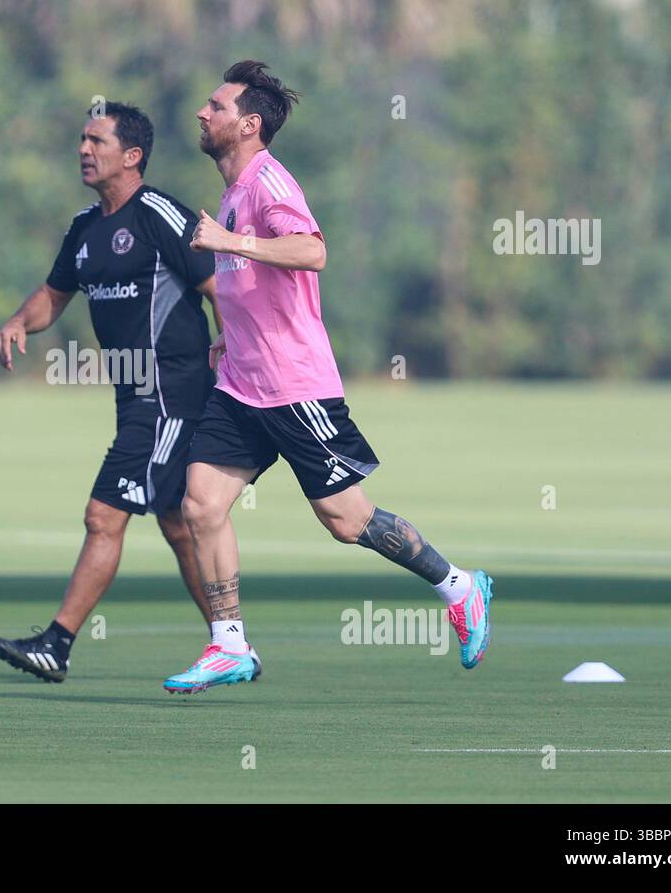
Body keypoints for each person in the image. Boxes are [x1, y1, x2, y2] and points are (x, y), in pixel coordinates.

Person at [162, 62, 491, 694]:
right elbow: (256, 285)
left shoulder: (267, 182)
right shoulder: (234, 190)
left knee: (346, 521)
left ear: (248, 125)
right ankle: (229, 644)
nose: (203, 113)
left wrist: (232, 241)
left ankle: (460, 587)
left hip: (294, 386)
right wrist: (229, 334)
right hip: (240, 386)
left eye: (216, 106)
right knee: (200, 504)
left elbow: (312, 250)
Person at [0, 102, 261, 683]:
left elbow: (220, 287)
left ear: (132, 156)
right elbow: (54, 295)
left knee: (103, 515)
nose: (84, 150)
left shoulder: (159, 213)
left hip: (172, 390)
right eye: (82, 139)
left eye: (97, 141)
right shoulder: (85, 229)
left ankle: (56, 644)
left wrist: (233, 352)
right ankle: (230, 642)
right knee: (177, 523)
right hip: (133, 394)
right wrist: (18, 321)